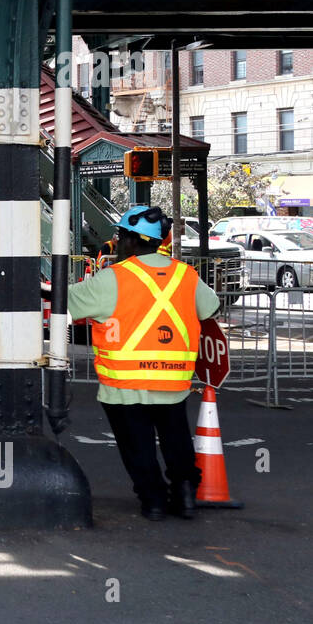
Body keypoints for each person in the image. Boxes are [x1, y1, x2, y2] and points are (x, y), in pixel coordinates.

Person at [69, 205, 221, 521]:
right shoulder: (185, 275)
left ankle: (153, 501)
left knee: (136, 445)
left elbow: (67, 302)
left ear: (130, 241)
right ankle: (185, 496)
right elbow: (211, 308)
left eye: (120, 236)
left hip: (125, 385)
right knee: (176, 438)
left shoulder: (112, 278)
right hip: (172, 380)